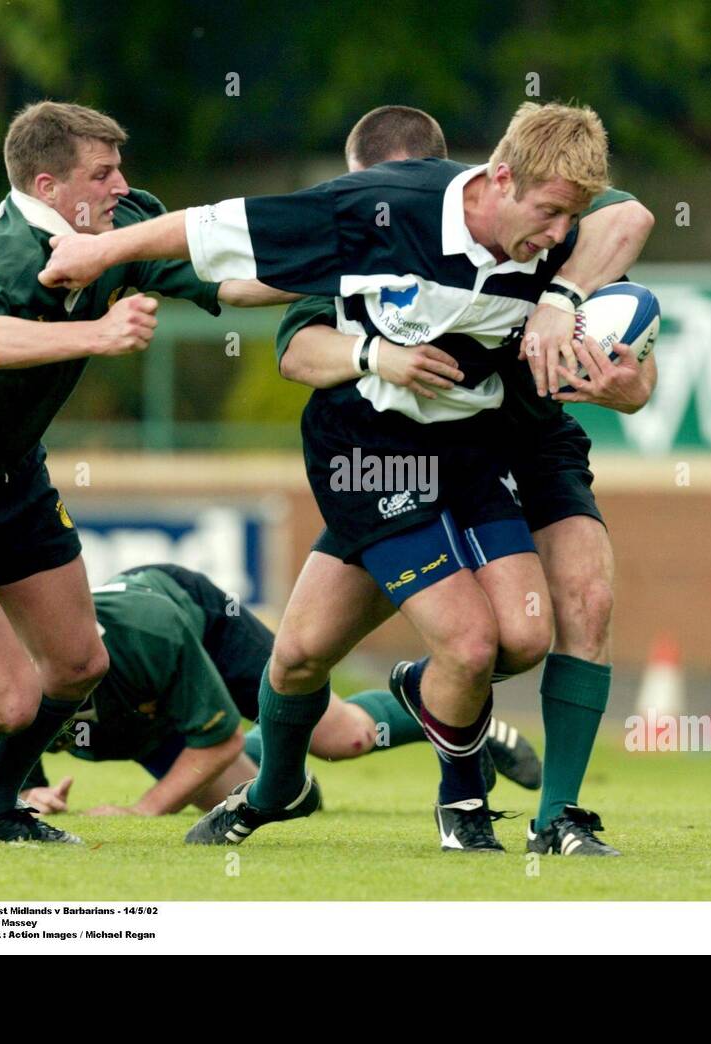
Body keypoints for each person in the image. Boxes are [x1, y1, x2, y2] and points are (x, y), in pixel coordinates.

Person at [40, 101, 621, 853]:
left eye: (564, 218)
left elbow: (628, 224)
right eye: (547, 213)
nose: (554, 231)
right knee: (466, 646)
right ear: (496, 178)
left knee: (464, 641)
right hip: (368, 459)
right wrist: (100, 254)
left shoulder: (552, 235)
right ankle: (452, 803)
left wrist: (571, 307)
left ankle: (341, 758)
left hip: (474, 453)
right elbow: (232, 257)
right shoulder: (366, 221)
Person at [0, 101, 284, 845]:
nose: (123, 186)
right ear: (49, 185)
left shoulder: (119, 229)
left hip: (13, 483)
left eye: (121, 168)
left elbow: (234, 283)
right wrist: (96, 332)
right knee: (10, 702)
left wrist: (345, 282)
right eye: (103, 173)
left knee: (81, 661)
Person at [276, 106, 656, 856]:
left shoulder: (537, 221)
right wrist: (375, 358)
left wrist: (614, 373)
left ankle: (560, 820)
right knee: (302, 653)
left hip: (533, 438)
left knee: (584, 599)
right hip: (398, 459)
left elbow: (634, 353)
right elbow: (296, 350)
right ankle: (279, 783)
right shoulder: (354, 245)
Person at [0, 563, 541, 820]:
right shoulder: (3, 675)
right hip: (146, 718)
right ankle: (277, 766)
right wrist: (26, 797)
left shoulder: (140, 637)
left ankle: (458, 718)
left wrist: (142, 812)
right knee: (279, 796)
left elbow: (213, 745)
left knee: (346, 737)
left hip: (204, 628)